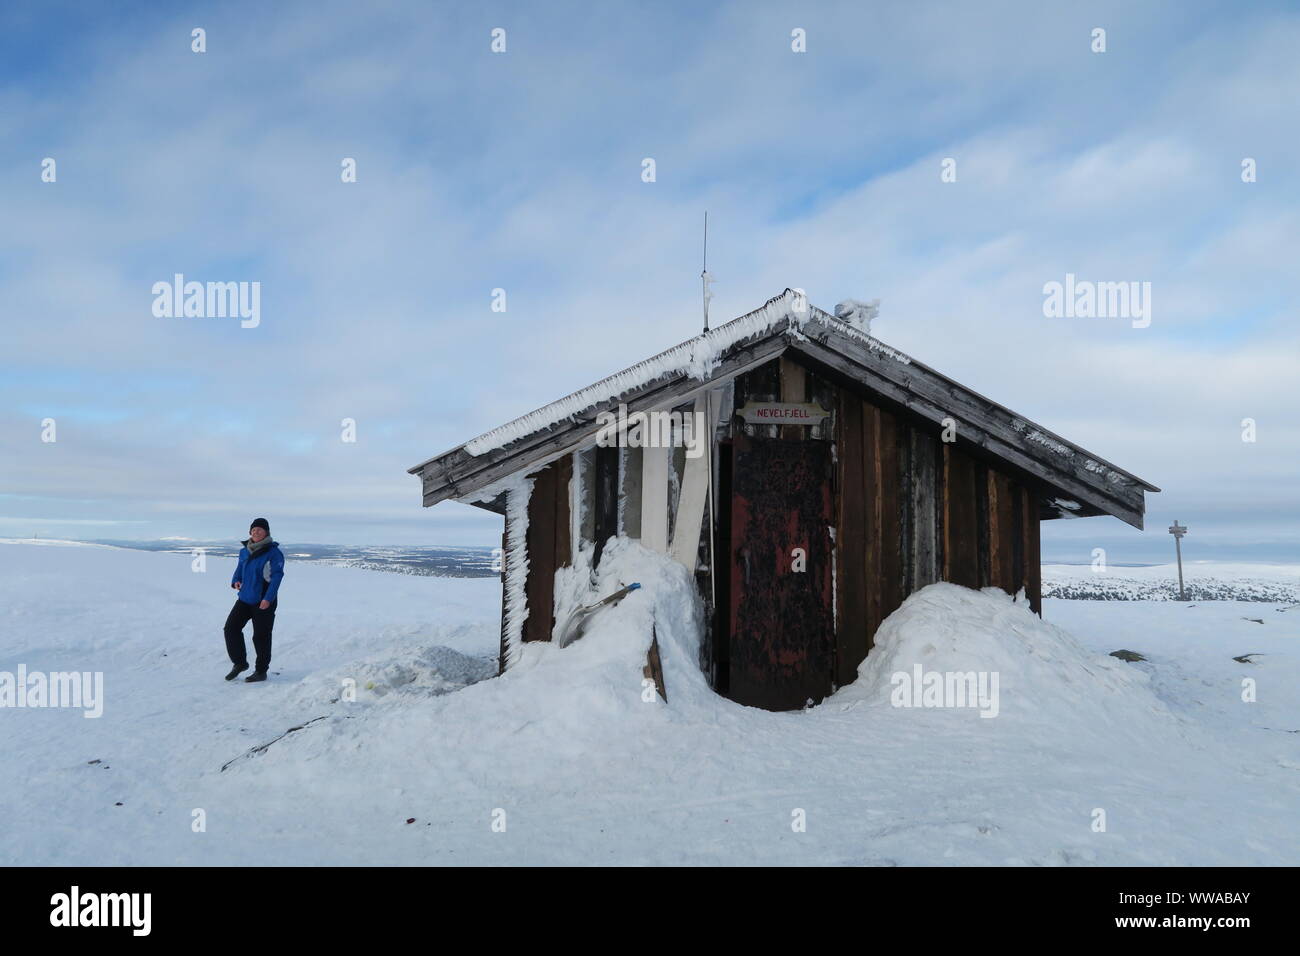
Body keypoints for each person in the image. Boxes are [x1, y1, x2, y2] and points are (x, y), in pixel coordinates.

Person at [224, 518, 285, 682]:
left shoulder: (273, 553)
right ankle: (240, 663)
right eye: (253, 529)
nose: (256, 532)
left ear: (267, 532)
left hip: (263, 600)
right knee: (230, 628)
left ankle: (261, 671)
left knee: (261, 636)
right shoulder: (244, 551)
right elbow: (239, 570)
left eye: (260, 529)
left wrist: (268, 598)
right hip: (245, 597)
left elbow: (277, 577)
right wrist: (235, 580)